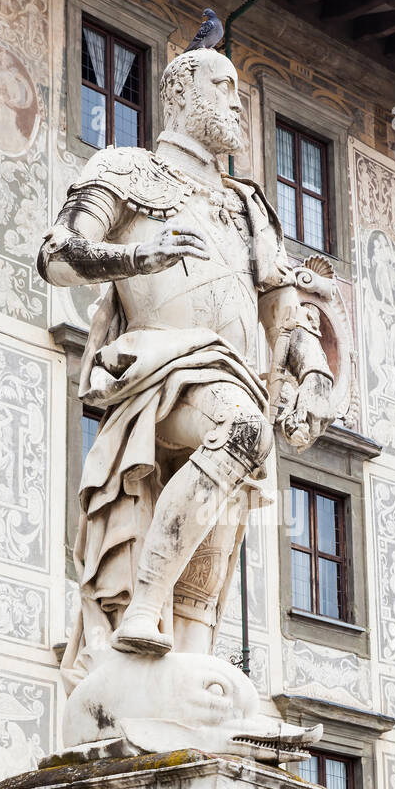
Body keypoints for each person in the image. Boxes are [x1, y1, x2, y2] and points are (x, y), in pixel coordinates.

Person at [38, 47, 333, 685]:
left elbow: (286, 313)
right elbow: (58, 254)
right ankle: (144, 603)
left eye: (238, 89)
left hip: (238, 377)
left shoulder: (250, 206)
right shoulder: (126, 169)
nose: (236, 100)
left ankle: (190, 678)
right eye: (222, 86)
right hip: (160, 366)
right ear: (179, 93)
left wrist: (314, 377)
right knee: (244, 434)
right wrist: (137, 258)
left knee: (218, 546)